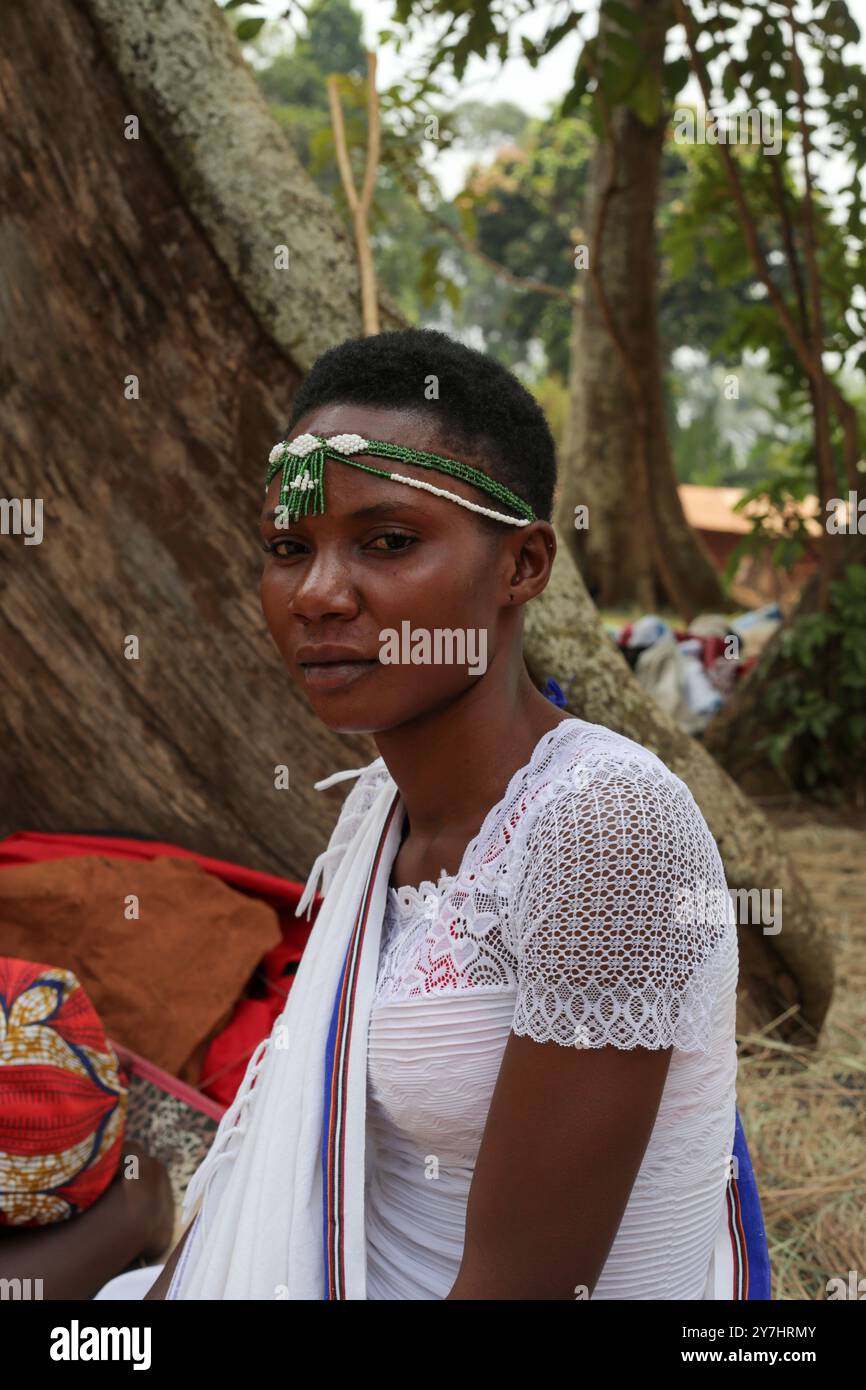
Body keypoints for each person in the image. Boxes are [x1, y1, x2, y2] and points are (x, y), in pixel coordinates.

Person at [147, 327, 765, 1301]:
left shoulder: (604, 828)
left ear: (521, 566)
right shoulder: (382, 815)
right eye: (286, 547)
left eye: (387, 542)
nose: (317, 593)